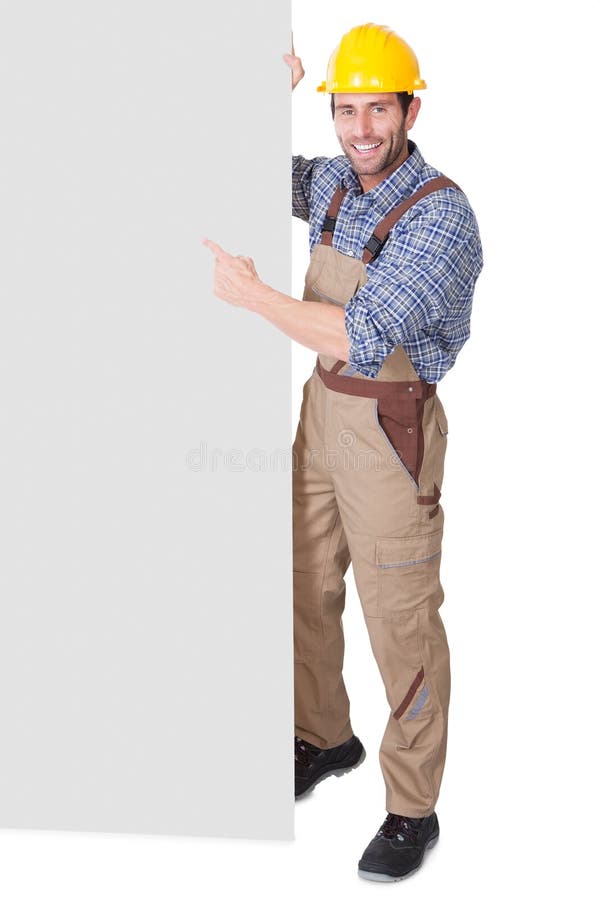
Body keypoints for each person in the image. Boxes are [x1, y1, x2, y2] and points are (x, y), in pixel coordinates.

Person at [204, 22, 483, 883]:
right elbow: (235, 167)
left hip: (390, 430)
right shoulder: (332, 180)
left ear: (411, 107)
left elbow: (360, 334)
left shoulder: (439, 215)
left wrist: (253, 297)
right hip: (320, 416)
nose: (361, 130)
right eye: (345, 109)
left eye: (378, 110)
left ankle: (412, 807)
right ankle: (325, 737)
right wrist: (266, 96)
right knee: (303, 584)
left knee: (399, 623)